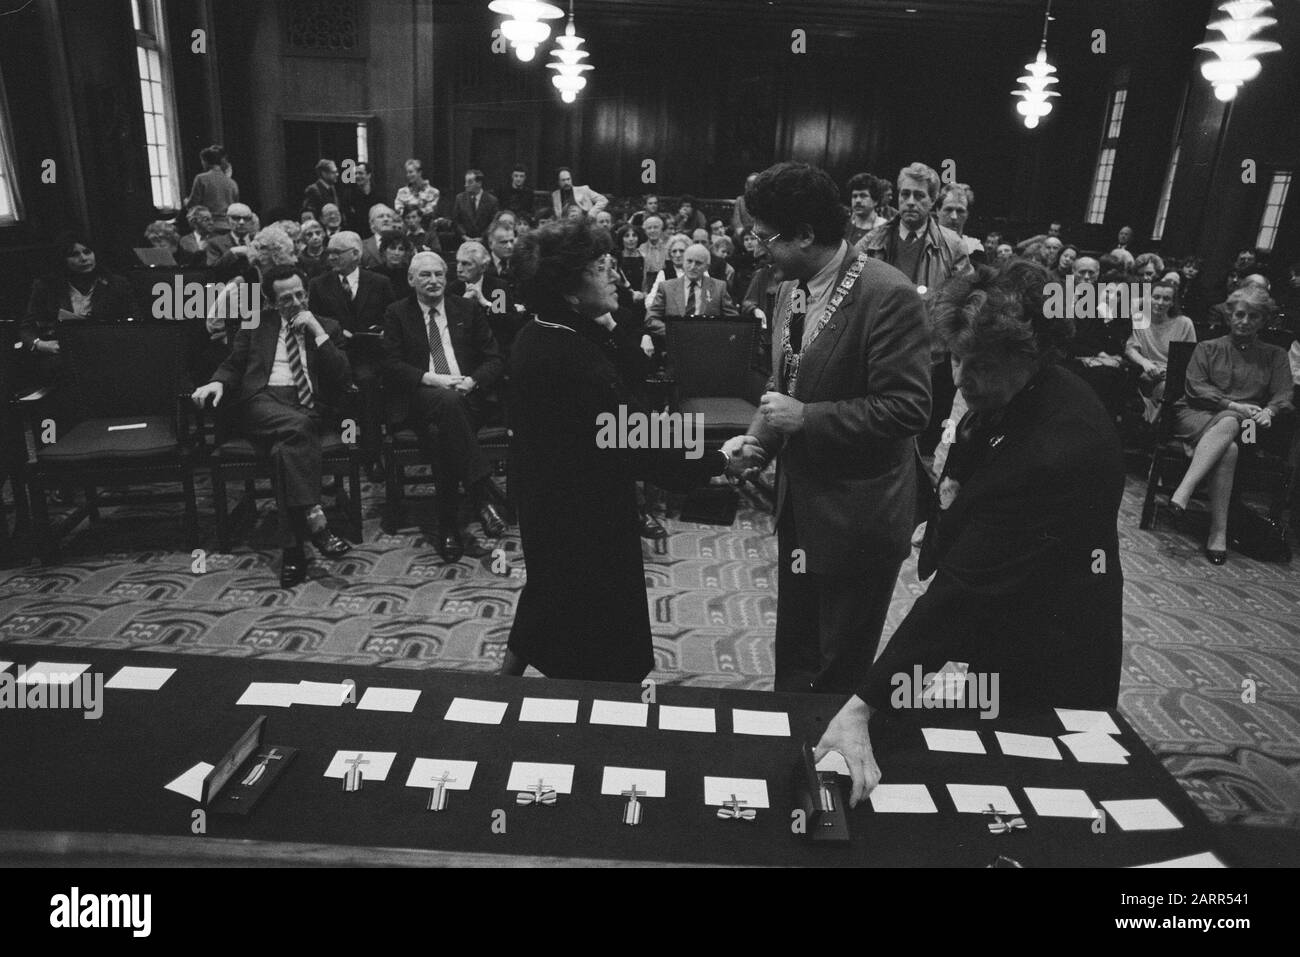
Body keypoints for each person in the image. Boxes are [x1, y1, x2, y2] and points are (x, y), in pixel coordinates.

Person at [811, 261, 1125, 804]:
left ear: (1029, 356)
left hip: (1055, 657)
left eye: (978, 364)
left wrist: (862, 707)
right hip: (1005, 629)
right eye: (956, 357)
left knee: (1041, 805)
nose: (959, 378)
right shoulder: (1015, 394)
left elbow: (963, 591)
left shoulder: (1060, 446)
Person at [723, 162, 933, 694]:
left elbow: (908, 408)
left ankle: (831, 768)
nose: (756, 246)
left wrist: (807, 419)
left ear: (806, 234)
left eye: (766, 236)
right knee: (794, 654)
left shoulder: (889, 293)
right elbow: (784, 383)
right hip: (800, 505)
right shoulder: (788, 288)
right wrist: (756, 443)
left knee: (838, 666)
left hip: (858, 515)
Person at [503, 221, 735, 681]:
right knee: (598, 636)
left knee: (550, 593)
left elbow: (641, 372)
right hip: (583, 510)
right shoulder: (571, 356)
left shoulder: (549, 331)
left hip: (553, 500)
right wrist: (719, 460)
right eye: (600, 268)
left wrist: (607, 321)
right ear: (569, 290)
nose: (614, 276)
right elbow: (637, 437)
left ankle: (504, 682)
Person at [191, 265, 354, 587]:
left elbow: (342, 376)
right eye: (285, 298)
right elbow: (234, 364)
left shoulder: (328, 326)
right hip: (261, 400)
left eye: (299, 294)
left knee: (286, 448)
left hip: (307, 405)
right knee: (297, 428)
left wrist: (317, 331)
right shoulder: (255, 325)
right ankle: (317, 523)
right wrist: (216, 383)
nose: (294, 302)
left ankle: (293, 549)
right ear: (270, 300)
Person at [380, 252, 507, 562]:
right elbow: (390, 365)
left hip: (468, 397)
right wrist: (433, 380)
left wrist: (472, 382)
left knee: (441, 432)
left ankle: (449, 526)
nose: (434, 280)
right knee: (446, 404)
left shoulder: (467, 309)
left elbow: (494, 359)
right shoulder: (397, 313)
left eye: (439, 274)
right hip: (421, 397)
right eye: (425, 275)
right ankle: (481, 497)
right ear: (411, 280)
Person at [1169, 284, 1294, 564]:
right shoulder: (1208, 348)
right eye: (1240, 314)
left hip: (1250, 428)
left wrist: (1270, 412)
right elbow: (1195, 388)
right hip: (1198, 414)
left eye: (1253, 316)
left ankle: (1184, 491)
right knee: (1230, 445)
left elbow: (1284, 393)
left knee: (1234, 432)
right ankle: (1218, 533)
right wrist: (1234, 406)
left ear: (1264, 320)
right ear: (1229, 316)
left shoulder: (1274, 355)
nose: (1245, 321)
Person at [21, 235, 137, 383]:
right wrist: (41, 344)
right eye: (74, 255)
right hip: (64, 353)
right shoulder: (46, 287)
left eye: (87, 252)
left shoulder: (116, 284)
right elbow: (26, 328)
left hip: (108, 350)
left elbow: (134, 320)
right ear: (62, 260)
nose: (83, 258)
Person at [1125, 277, 1197, 423]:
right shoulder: (1139, 319)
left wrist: (1170, 372)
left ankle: (1153, 426)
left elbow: (1190, 356)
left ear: (1172, 303)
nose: (1160, 303)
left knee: (1169, 389)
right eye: (1156, 297)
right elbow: (1130, 349)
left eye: (1166, 299)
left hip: (1173, 376)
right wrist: (1145, 363)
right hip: (1148, 374)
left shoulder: (1184, 323)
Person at [645, 243, 737, 330]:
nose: (692, 267)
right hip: (675, 343)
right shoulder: (666, 287)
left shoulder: (719, 288)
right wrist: (672, 332)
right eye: (689, 261)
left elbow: (734, 321)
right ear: (683, 263)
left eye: (698, 263)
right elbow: (651, 319)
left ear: (707, 267)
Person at [185, 145, 238, 223]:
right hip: (227, 224)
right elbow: (235, 207)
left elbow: (192, 205)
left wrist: (186, 202)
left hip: (208, 224)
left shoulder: (201, 178)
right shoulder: (232, 183)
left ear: (206, 162)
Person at [452, 169, 499, 243]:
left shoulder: (492, 201)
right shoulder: (460, 198)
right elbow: (456, 221)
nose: (466, 185)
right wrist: (464, 236)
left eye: (469, 182)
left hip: (485, 243)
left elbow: (493, 223)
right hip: (464, 242)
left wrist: (483, 238)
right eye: (465, 182)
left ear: (479, 183)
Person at [302, 159, 342, 224]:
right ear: (324, 173)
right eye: (333, 172)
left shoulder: (334, 189)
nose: (337, 174)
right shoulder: (312, 190)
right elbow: (309, 215)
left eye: (337, 172)